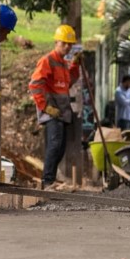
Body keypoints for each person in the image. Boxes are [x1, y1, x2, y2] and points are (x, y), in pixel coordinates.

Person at [29, 24, 81, 188]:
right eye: (64, 43)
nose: (67, 46)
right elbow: (35, 84)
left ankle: (50, 179)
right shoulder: (48, 61)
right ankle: (47, 180)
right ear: (56, 42)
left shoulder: (63, 64)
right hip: (52, 111)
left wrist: (75, 65)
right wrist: (45, 107)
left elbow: (67, 83)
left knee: (60, 147)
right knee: (55, 145)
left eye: (70, 44)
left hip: (62, 111)